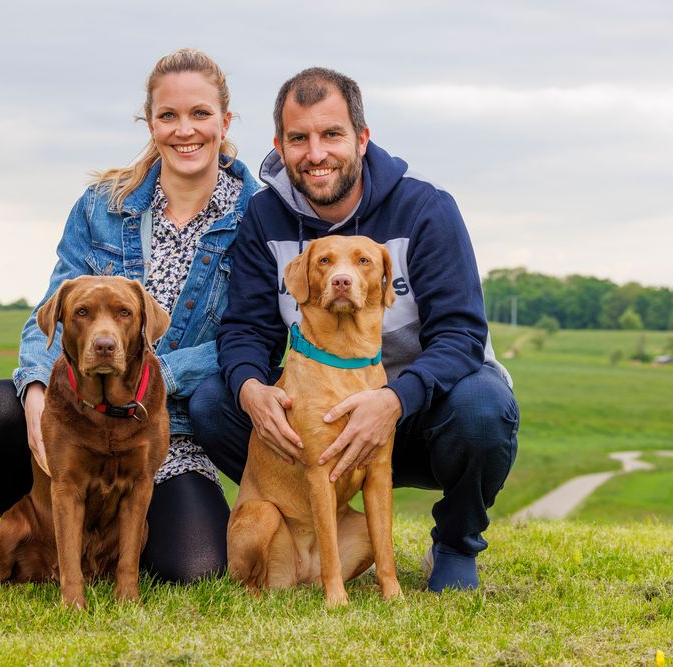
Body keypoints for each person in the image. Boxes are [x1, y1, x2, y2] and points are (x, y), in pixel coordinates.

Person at [189, 67, 519, 592]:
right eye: (299, 138)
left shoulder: (426, 210)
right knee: (214, 400)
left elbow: (461, 334)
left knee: (484, 407)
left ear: (362, 139)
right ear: (280, 145)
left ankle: (455, 543)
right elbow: (245, 329)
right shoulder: (264, 218)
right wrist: (252, 389)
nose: (315, 153)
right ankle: (305, 523)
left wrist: (393, 400)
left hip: (420, 411)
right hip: (319, 418)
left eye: (332, 134)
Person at [0, 49, 260, 583]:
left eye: (200, 114)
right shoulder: (102, 205)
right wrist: (35, 387)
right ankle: (46, 544)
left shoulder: (256, 218)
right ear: (150, 122)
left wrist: (149, 375)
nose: (184, 130)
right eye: (168, 116)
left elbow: (247, 338)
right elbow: (51, 308)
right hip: (78, 417)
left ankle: (118, 547)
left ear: (225, 121)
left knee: (193, 568)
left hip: (170, 432)